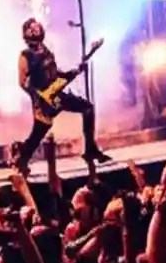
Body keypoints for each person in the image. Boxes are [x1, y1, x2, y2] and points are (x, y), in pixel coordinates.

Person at [14, 18, 109, 174]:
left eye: (37, 27)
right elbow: (23, 82)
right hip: (44, 99)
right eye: (33, 28)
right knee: (39, 133)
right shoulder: (25, 55)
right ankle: (22, 160)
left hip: (56, 94)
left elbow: (55, 75)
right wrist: (37, 99)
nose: (36, 30)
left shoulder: (46, 50)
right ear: (27, 32)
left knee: (87, 108)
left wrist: (74, 72)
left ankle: (91, 149)